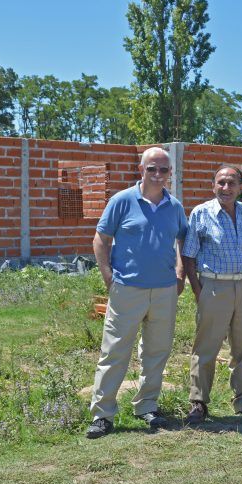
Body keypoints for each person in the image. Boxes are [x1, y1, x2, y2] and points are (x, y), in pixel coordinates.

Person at [85, 147, 188, 439]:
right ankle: (102, 415)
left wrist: (180, 274)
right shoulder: (122, 201)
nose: (158, 175)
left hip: (165, 289)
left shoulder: (175, 206)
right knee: (115, 351)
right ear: (140, 170)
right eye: (151, 169)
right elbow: (101, 239)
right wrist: (108, 277)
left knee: (157, 351)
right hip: (127, 289)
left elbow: (183, 239)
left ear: (170, 173)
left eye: (164, 170)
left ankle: (147, 406)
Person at [182, 165, 242, 424]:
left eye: (232, 183)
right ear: (213, 186)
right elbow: (188, 255)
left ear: (241, 187)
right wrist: (199, 290)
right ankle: (198, 402)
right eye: (221, 183)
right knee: (206, 346)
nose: (226, 188)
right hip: (215, 287)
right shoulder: (201, 213)